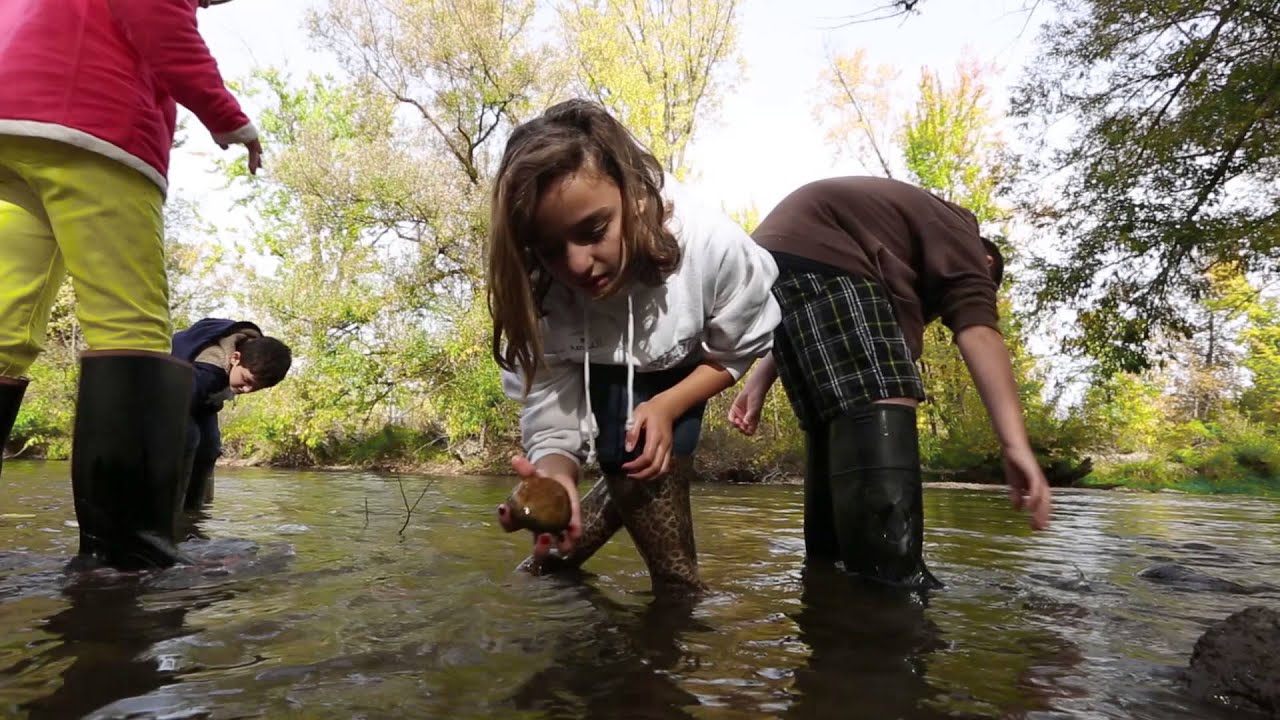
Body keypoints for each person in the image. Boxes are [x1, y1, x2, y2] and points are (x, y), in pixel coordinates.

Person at [0, 0, 262, 569]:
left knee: (4, 332)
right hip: (94, 125)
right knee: (132, 330)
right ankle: (126, 564)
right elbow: (156, 16)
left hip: (8, 123)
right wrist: (229, 118)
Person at [488, 98, 781, 594]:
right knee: (626, 458)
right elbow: (553, 407)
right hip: (600, 358)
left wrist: (669, 404)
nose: (577, 264)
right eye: (550, 248)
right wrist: (556, 474)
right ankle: (589, 575)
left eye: (594, 231)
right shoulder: (540, 291)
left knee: (648, 460)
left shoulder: (713, 247)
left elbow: (735, 350)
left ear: (634, 196)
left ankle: (677, 598)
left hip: (691, 360)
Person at [726, 176, 1052, 590]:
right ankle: (890, 588)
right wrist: (1015, 445)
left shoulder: (895, 257)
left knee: (841, 423)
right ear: (987, 265)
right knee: (885, 391)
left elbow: (826, 321)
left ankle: (829, 584)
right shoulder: (964, 240)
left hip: (766, 268)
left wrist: (759, 380)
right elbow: (979, 332)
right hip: (820, 259)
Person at [172, 319, 292, 513]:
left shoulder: (254, 353)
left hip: (202, 400)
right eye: (246, 380)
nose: (246, 389)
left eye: (256, 388)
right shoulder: (210, 369)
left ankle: (195, 512)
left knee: (211, 446)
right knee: (190, 437)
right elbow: (177, 403)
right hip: (173, 393)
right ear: (235, 357)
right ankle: (173, 512)